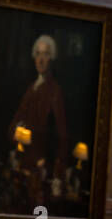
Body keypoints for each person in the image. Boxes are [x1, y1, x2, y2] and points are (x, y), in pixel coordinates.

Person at [7, 34, 69, 203]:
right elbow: (13, 125)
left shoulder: (54, 91)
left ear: (52, 59)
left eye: (46, 54)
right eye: (38, 54)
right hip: (23, 160)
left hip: (41, 166)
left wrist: (57, 171)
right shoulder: (31, 88)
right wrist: (20, 128)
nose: (41, 59)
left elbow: (62, 135)